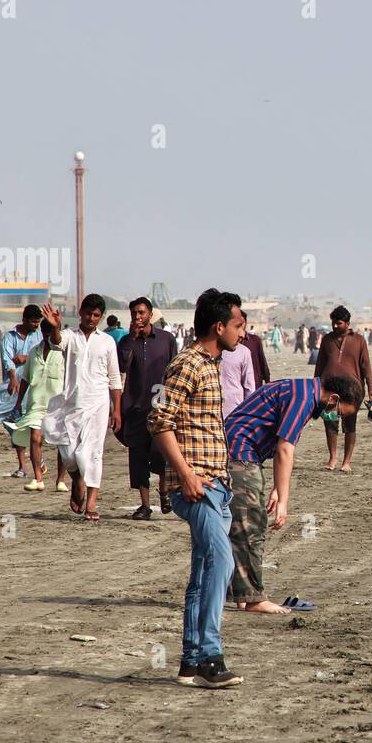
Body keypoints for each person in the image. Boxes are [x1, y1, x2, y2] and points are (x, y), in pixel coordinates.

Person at [148, 289, 245, 688]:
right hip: (197, 486)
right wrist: (187, 476)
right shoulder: (187, 364)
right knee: (223, 564)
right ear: (218, 327)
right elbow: (159, 421)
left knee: (204, 571)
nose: (243, 332)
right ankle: (210, 656)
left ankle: (189, 660)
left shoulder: (212, 365)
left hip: (216, 485)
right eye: (238, 325)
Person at [223, 373, 363, 615]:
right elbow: (285, 449)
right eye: (339, 412)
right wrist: (284, 503)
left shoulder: (302, 390)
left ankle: (241, 595)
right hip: (239, 451)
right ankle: (254, 599)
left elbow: (281, 445)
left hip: (240, 450)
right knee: (251, 525)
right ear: (334, 398)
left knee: (238, 525)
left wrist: (278, 488)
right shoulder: (304, 398)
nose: (334, 417)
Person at [39, 296, 123, 521]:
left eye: (96, 315)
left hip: (98, 404)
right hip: (71, 403)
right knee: (67, 450)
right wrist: (55, 327)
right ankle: (76, 478)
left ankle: (92, 502)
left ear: (101, 317)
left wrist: (116, 410)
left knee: (92, 454)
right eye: (88, 314)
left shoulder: (106, 342)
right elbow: (56, 343)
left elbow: (114, 379)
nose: (91, 319)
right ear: (81, 313)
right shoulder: (70, 336)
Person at [117, 297, 178, 519]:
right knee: (138, 457)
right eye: (134, 313)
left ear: (150, 314)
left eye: (141, 313)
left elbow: (174, 371)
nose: (137, 317)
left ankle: (164, 491)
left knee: (161, 453)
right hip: (134, 407)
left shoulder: (167, 339)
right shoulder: (125, 341)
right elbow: (121, 367)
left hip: (160, 406)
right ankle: (144, 505)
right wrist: (131, 340)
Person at [6, 318, 68, 492]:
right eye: (46, 331)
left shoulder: (64, 353)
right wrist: (18, 403)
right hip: (36, 403)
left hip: (59, 405)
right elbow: (25, 379)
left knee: (61, 442)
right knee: (35, 438)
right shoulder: (34, 352)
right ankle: (38, 478)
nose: (49, 335)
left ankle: (60, 480)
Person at [0, 305, 43, 478]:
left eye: (38, 322)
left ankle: (35, 461)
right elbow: (6, 359)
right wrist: (14, 378)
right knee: (12, 424)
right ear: (24, 320)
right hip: (13, 388)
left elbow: (43, 354)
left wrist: (26, 357)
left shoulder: (38, 335)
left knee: (31, 425)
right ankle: (23, 465)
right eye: (33, 322)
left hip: (34, 387)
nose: (36, 325)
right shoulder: (10, 337)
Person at [314, 305, 372, 472]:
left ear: (347, 323)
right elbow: (319, 366)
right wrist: (315, 386)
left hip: (352, 390)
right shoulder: (327, 340)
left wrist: (371, 388)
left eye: (338, 323)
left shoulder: (359, 340)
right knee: (330, 422)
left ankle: (346, 461)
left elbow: (366, 366)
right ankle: (332, 459)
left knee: (350, 424)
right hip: (329, 388)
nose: (335, 326)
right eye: (333, 322)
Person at [241, 312, 271, 385]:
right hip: (237, 384)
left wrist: (267, 380)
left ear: (245, 323)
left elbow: (262, 360)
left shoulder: (255, 340)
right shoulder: (227, 343)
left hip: (255, 382)